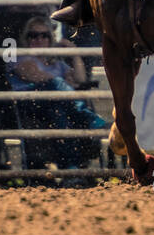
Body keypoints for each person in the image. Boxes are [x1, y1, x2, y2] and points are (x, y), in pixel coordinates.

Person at [9, 15, 105, 168]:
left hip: (53, 105)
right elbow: (36, 76)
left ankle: (70, 167)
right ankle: (88, 117)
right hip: (29, 104)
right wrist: (62, 82)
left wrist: (74, 53)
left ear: (50, 39)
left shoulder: (57, 64)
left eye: (44, 35)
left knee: (59, 112)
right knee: (56, 83)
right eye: (33, 35)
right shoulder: (20, 58)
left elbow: (80, 80)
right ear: (26, 39)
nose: (39, 40)